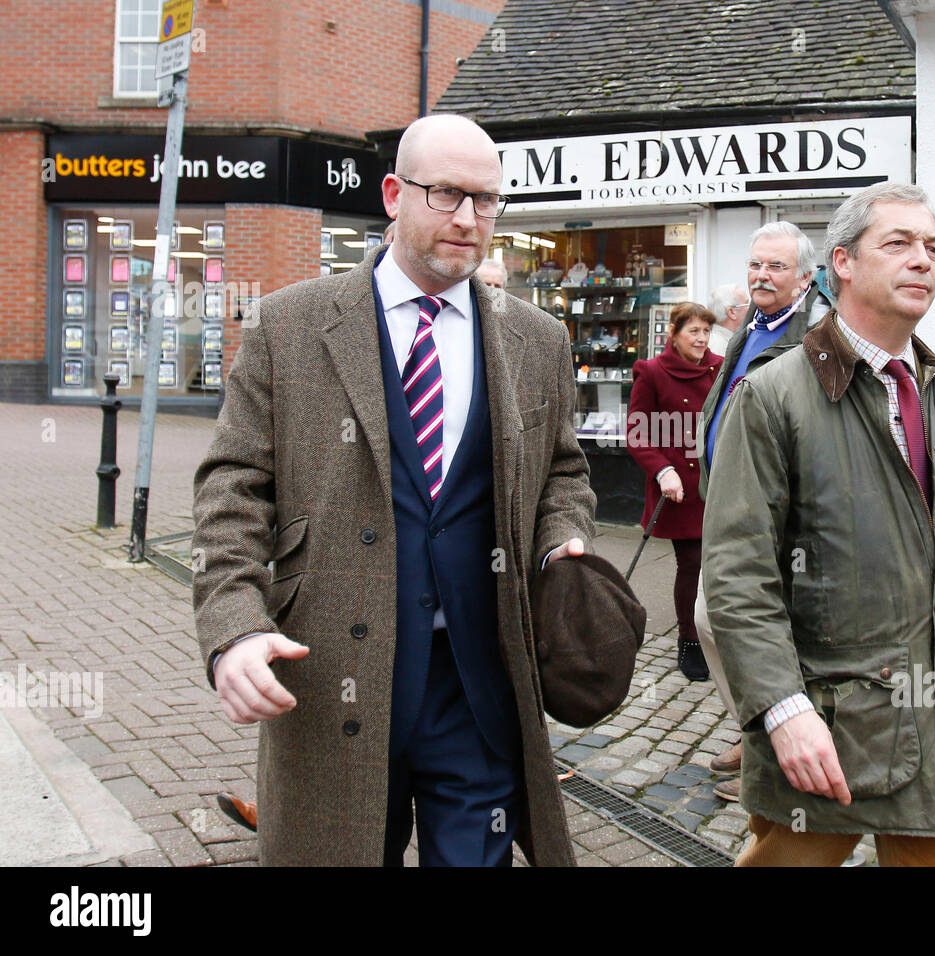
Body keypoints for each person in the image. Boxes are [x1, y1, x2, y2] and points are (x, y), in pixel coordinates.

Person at [192, 113, 596, 867]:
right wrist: (235, 627)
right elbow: (232, 488)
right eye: (446, 194)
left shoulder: (535, 338)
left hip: (479, 681)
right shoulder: (290, 325)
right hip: (329, 677)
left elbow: (563, 473)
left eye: (486, 200)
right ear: (392, 194)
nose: (469, 219)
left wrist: (559, 545)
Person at [702, 182, 935, 866]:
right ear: (841, 263)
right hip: (825, 730)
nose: (923, 261)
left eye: (932, 247)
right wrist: (782, 710)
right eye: (899, 244)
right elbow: (737, 572)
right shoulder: (776, 394)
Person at [694, 221, 832, 801]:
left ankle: (773, 753)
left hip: (776, 511)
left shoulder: (819, 332)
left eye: (776, 267)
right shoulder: (749, 326)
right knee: (709, 620)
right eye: (755, 265)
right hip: (728, 500)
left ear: (805, 276)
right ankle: (756, 733)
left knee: (763, 628)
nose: (761, 276)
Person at [626, 302, 723, 680]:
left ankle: (723, 635)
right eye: (693, 332)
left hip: (720, 482)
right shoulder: (651, 372)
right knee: (693, 564)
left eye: (705, 332)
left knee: (724, 565)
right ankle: (689, 639)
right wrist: (663, 470)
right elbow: (637, 433)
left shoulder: (721, 367)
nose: (701, 339)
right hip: (679, 488)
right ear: (674, 334)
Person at [707, 284, 748, 357]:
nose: (751, 308)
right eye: (746, 304)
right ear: (732, 312)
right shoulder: (719, 348)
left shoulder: (728, 341)